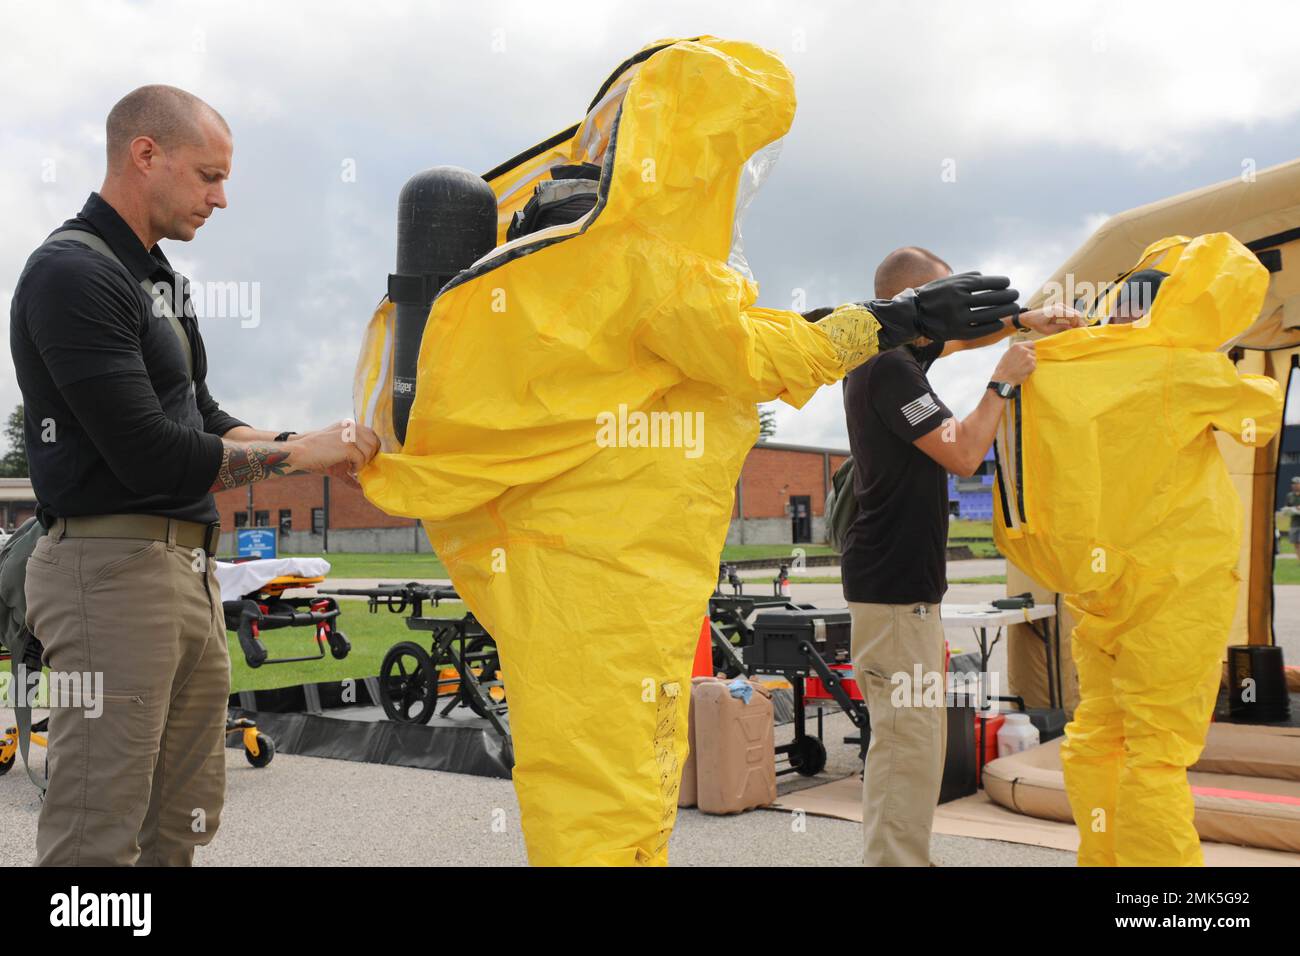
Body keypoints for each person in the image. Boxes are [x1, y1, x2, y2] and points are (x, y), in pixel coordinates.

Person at [354, 40, 1026, 866]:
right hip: (601, 579)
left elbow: (752, 336)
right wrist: (894, 319)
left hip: (598, 573)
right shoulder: (639, 261)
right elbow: (757, 353)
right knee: (605, 799)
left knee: (622, 782)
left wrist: (910, 320)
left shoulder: (588, 256)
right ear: (689, 145)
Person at [10, 85, 379, 866]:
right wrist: (297, 457)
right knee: (96, 828)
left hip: (189, 572)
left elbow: (200, 416)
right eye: (209, 176)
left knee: (185, 822)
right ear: (146, 154)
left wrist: (309, 442)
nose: (221, 198)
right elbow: (147, 453)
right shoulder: (71, 273)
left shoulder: (158, 277)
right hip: (108, 574)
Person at [992, 232, 1282, 865]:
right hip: (1174, 592)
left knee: (1098, 734)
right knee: (1158, 753)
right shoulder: (1185, 366)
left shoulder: (1069, 354)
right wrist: (1225, 356)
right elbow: (1259, 422)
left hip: (1100, 589)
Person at [841, 246, 1082, 866]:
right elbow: (964, 451)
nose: (961, 316)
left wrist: (1024, 321)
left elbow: (956, 342)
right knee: (907, 750)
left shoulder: (891, 357)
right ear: (913, 303)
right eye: (949, 301)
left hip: (898, 592)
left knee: (909, 745)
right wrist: (1004, 380)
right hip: (895, 594)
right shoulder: (888, 369)